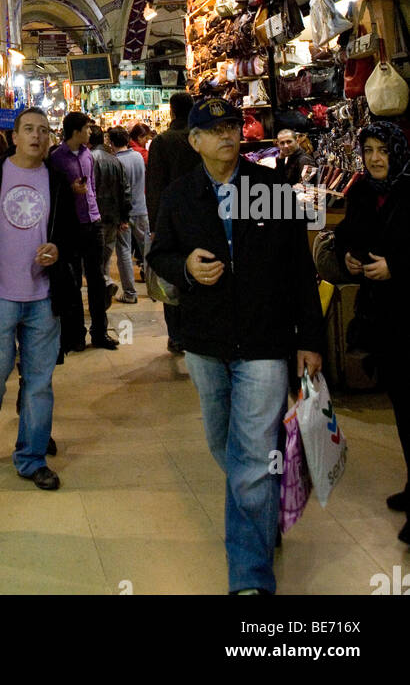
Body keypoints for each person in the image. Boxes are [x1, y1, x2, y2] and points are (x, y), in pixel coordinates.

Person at [148, 97, 324, 595]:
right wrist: (186, 267)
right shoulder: (181, 196)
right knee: (226, 445)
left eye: (232, 126)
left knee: (251, 457)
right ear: (195, 140)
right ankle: (261, 514)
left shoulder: (270, 189)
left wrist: (309, 339)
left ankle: (250, 577)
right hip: (205, 342)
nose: (228, 134)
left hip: (266, 342)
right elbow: (159, 254)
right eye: (215, 129)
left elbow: (299, 269)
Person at [0, 107, 79, 489]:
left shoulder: (58, 180)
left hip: (43, 297)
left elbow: (72, 233)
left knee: (39, 381)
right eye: (29, 130)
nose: (36, 137)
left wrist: (59, 249)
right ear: (14, 136)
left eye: (43, 130)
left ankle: (31, 457)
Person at [334, 122, 410, 544]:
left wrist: (396, 267)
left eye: (383, 149)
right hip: (385, 317)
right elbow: (351, 235)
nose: (376, 157)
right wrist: (349, 257)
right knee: (401, 402)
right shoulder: (362, 191)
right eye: (369, 149)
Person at [48, 111, 118, 349]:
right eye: (87, 128)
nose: (90, 132)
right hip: (71, 226)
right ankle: (75, 334)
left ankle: (100, 332)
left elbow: (93, 186)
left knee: (97, 279)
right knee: (73, 281)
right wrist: (70, 189)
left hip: (93, 221)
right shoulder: (56, 158)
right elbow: (52, 192)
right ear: (76, 131)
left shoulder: (88, 154)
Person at [145, 93, 198, 353]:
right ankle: (196, 330)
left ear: (172, 110)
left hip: (171, 220)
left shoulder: (162, 141)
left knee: (174, 277)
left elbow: (154, 186)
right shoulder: (201, 138)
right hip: (203, 218)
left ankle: (176, 335)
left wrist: (155, 226)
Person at [88, 127, 133, 305]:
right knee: (105, 255)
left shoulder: (89, 159)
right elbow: (125, 191)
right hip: (112, 218)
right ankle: (104, 286)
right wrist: (124, 217)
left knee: (93, 257)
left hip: (95, 217)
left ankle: (104, 284)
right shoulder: (115, 161)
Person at [108, 127, 150, 290]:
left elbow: (117, 192)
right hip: (142, 208)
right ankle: (153, 288)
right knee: (146, 249)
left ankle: (130, 292)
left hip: (124, 214)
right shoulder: (139, 156)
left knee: (124, 252)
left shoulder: (115, 162)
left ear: (111, 143)